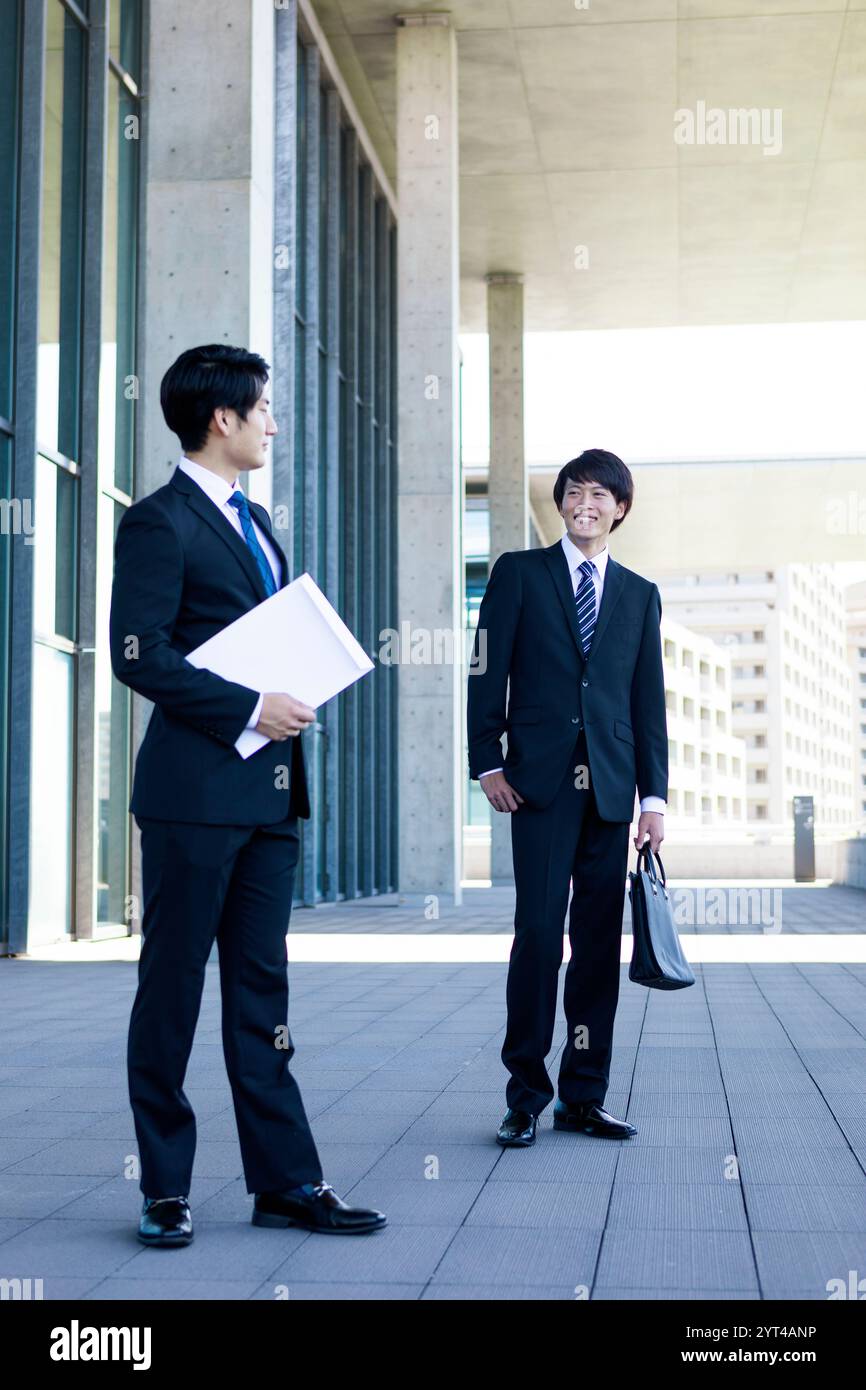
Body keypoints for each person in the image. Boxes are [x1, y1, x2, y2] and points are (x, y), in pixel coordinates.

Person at [109, 344, 386, 1244]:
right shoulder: (159, 522)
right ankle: (164, 1189)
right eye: (262, 407)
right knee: (172, 992)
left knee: (263, 996)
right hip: (192, 798)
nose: (272, 421)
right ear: (221, 418)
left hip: (269, 797)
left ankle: (286, 1183)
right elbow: (137, 653)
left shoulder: (258, 521)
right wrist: (249, 705)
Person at [466, 449, 668, 1147]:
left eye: (600, 494)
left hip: (611, 791)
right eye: (575, 492)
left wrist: (655, 800)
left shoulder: (640, 595)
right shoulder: (520, 574)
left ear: (620, 508)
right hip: (538, 788)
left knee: (596, 944)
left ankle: (584, 1095)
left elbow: (647, 705)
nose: (586, 504)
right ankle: (525, 1095)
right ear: (561, 504)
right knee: (537, 934)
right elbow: (486, 669)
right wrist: (486, 763)